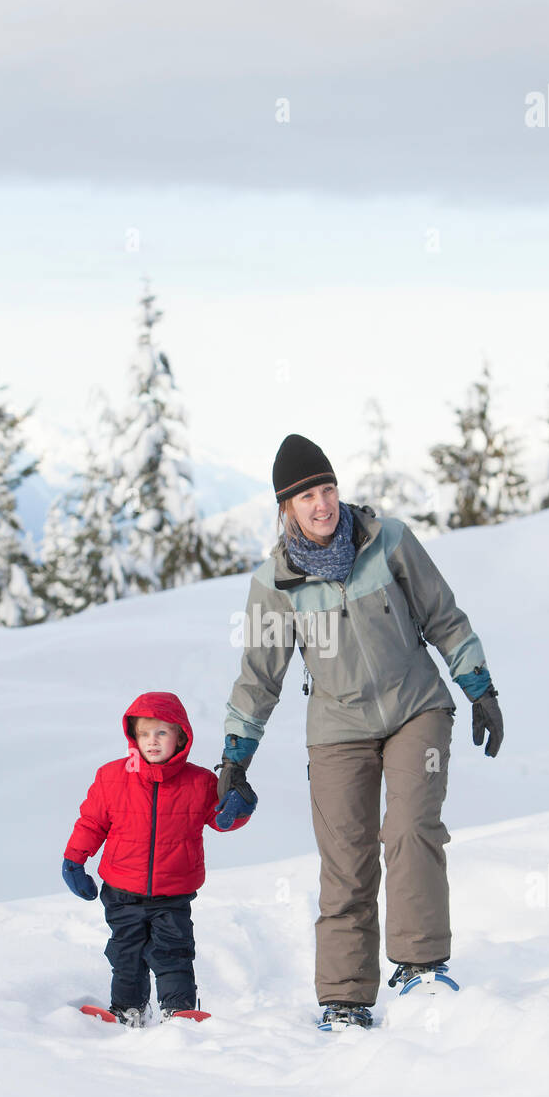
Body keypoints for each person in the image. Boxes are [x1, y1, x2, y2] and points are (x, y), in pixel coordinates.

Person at [216, 433, 503, 1030]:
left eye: (327, 488)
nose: (321, 504)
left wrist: (479, 687)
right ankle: (344, 997)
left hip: (416, 708)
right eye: (306, 497)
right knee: (345, 860)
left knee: (409, 826)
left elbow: (444, 616)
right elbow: (260, 676)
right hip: (337, 730)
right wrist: (235, 756)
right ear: (286, 509)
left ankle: (422, 966)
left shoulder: (388, 540)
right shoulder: (276, 585)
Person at [61, 691, 254, 1025]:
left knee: (173, 952)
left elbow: (222, 820)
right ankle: (128, 1008)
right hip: (121, 890)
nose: (152, 741)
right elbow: (91, 823)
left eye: (162, 733)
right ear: (133, 737)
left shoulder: (200, 782)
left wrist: (239, 809)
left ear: (180, 736)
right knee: (126, 953)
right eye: (145, 733)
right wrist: (74, 860)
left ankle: (178, 1010)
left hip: (174, 892)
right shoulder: (112, 777)